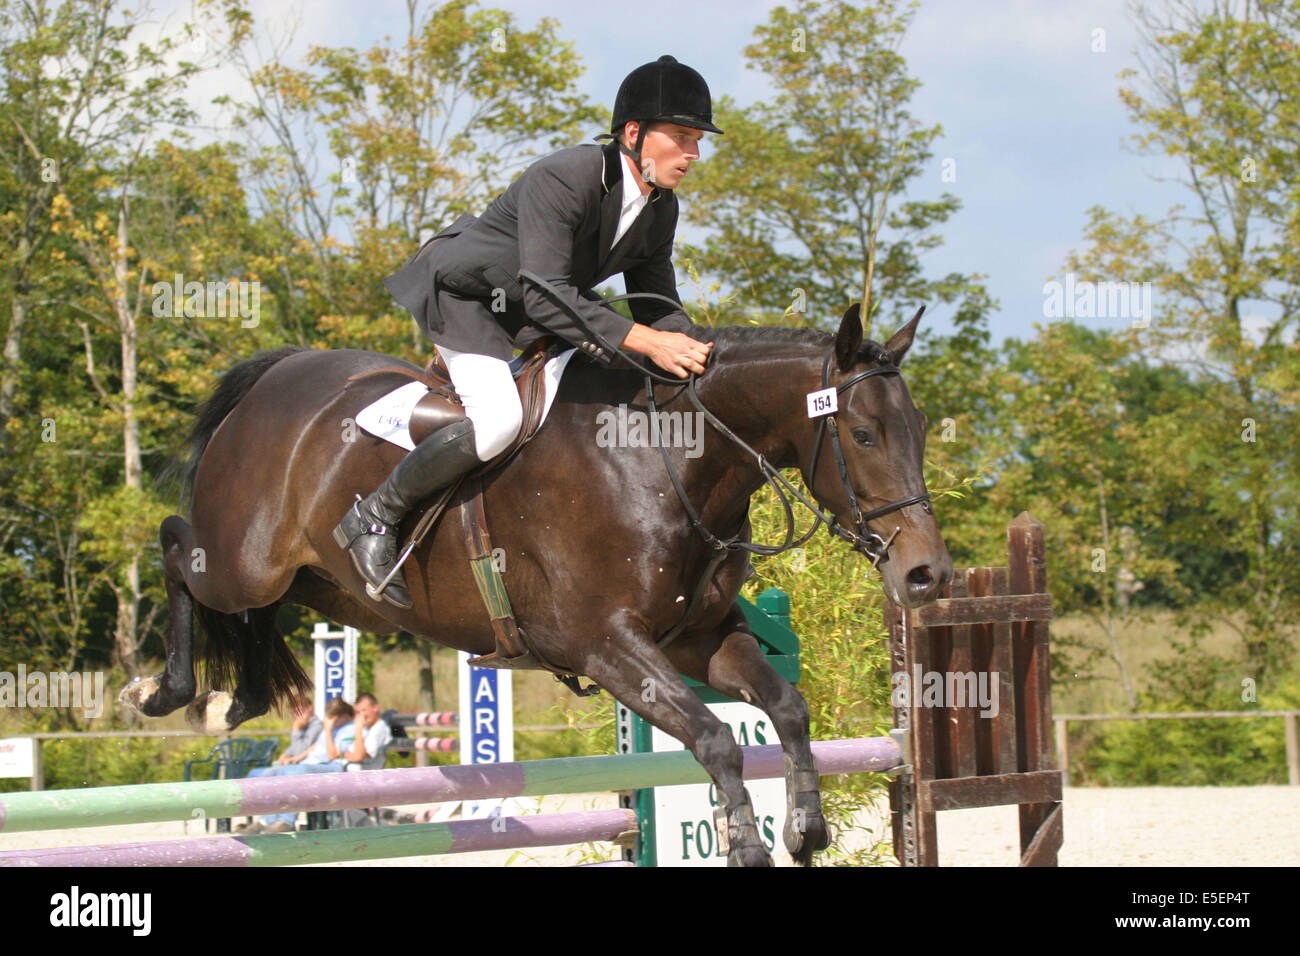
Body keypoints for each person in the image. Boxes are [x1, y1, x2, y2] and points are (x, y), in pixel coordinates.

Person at [336, 54, 720, 609]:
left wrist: (708, 355)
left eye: (698, 140)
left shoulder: (661, 208)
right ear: (633, 134)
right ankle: (373, 516)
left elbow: (657, 307)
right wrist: (645, 340)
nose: (694, 154)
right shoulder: (566, 176)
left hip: (541, 309)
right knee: (499, 421)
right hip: (468, 298)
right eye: (682, 137)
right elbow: (547, 290)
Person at [237, 697, 357, 834]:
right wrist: (298, 757)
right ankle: (266, 820)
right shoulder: (332, 726)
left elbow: (332, 755)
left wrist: (328, 730)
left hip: (330, 766)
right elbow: (315, 746)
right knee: (281, 772)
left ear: (343, 716)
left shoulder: (349, 729)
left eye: (332, 718)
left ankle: (286, 821)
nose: (328, 721)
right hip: (312, 764)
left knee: (295, 772)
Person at [276, 696, 322, 765]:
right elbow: (296, 746)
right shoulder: (304, 726)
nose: (297, 716)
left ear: (309, 708)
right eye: (294, 713)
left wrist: (296, 729)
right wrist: (286, 754)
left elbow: (299, 752)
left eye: (299, 712)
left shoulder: (317, 726)